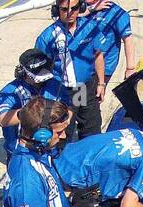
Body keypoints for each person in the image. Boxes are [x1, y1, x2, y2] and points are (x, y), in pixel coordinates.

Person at [36, 0, 106, 141]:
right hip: (62, 91)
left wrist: (101, 83)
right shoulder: (47, 37)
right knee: (62, 132)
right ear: (56, 10)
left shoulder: (89, 28)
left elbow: (98, 55)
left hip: (84, 88)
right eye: (64, 9)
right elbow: (39, 67)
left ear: (81, 8)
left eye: (74, 8)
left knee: (91, 128)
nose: (70, 13)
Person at [0, 49, 73, 162]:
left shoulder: (55, 83)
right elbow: (2, 119)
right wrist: (33, 111)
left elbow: (68, 105)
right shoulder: (10, 91)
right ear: (23, 72)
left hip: (51, 147)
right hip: (22, 151)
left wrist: (67, 119)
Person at [84, 0, 135, 89]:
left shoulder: (115, 12)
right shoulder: (80, 8)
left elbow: (128, 40)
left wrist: (130, 68)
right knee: (77, 99)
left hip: (103, 68)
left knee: (89, 99)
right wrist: (91, 9)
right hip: (81, 64)